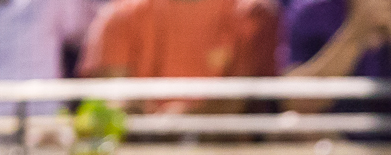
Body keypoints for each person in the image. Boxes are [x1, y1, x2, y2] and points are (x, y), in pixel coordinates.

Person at [81, 0, 279, 113]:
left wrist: (186, 120)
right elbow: (108, 104)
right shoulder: (117, 17)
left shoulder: (253, 15)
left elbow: (240, 104)